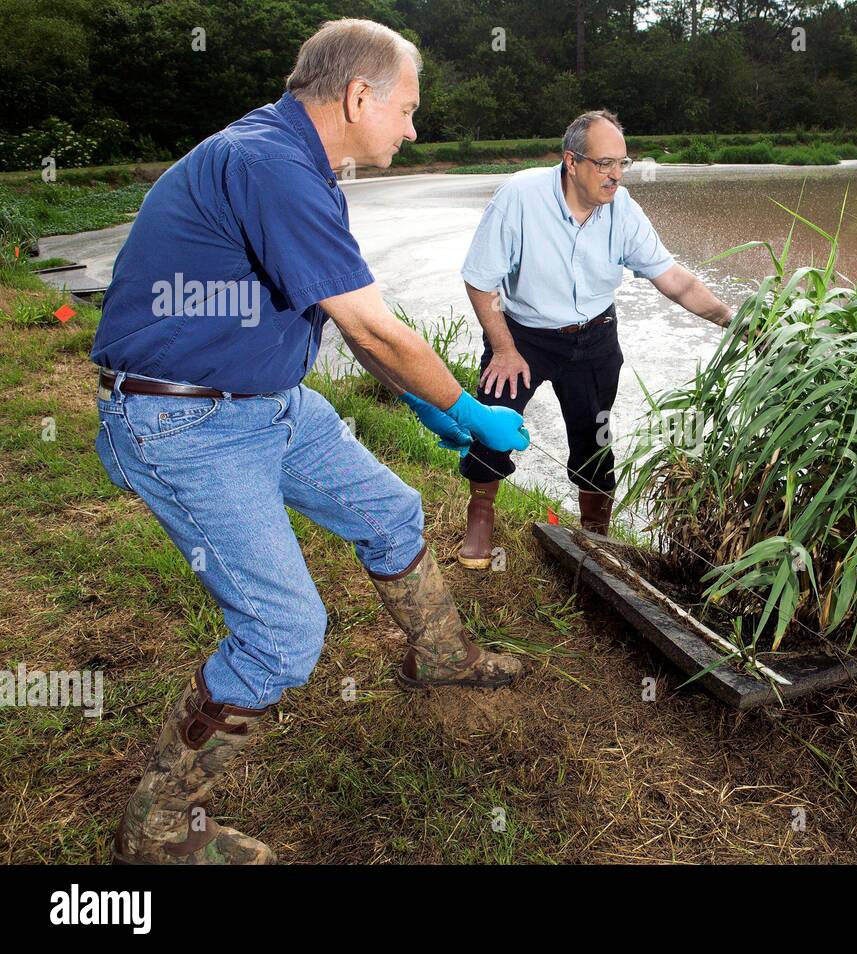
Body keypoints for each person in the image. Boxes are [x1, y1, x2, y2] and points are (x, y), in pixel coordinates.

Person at [89, 18, 529, 865]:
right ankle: (152, 834)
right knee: (284, 632)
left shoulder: (303, 163)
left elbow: (348, 318)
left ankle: (439, 658)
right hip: (183, 424)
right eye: (407, 109)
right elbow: (373, 322)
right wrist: (470, 408)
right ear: (358, 95)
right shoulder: (269, 163)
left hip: (270, 404)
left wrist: (424, 407)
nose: (412, 127)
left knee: (393, 513)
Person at [456, 109, 731, 568]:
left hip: (596, 336)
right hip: (523, 335)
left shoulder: (622, 210)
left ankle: (597, 540)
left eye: (622, 163)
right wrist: (502, 348)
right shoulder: (519, 198)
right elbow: (480, 280)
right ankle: (480, 512)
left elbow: (675, 280)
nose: (616, 176)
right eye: (605, 164)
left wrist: (730, 320)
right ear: (572, 162)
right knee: (492, 422)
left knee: (596, 437)